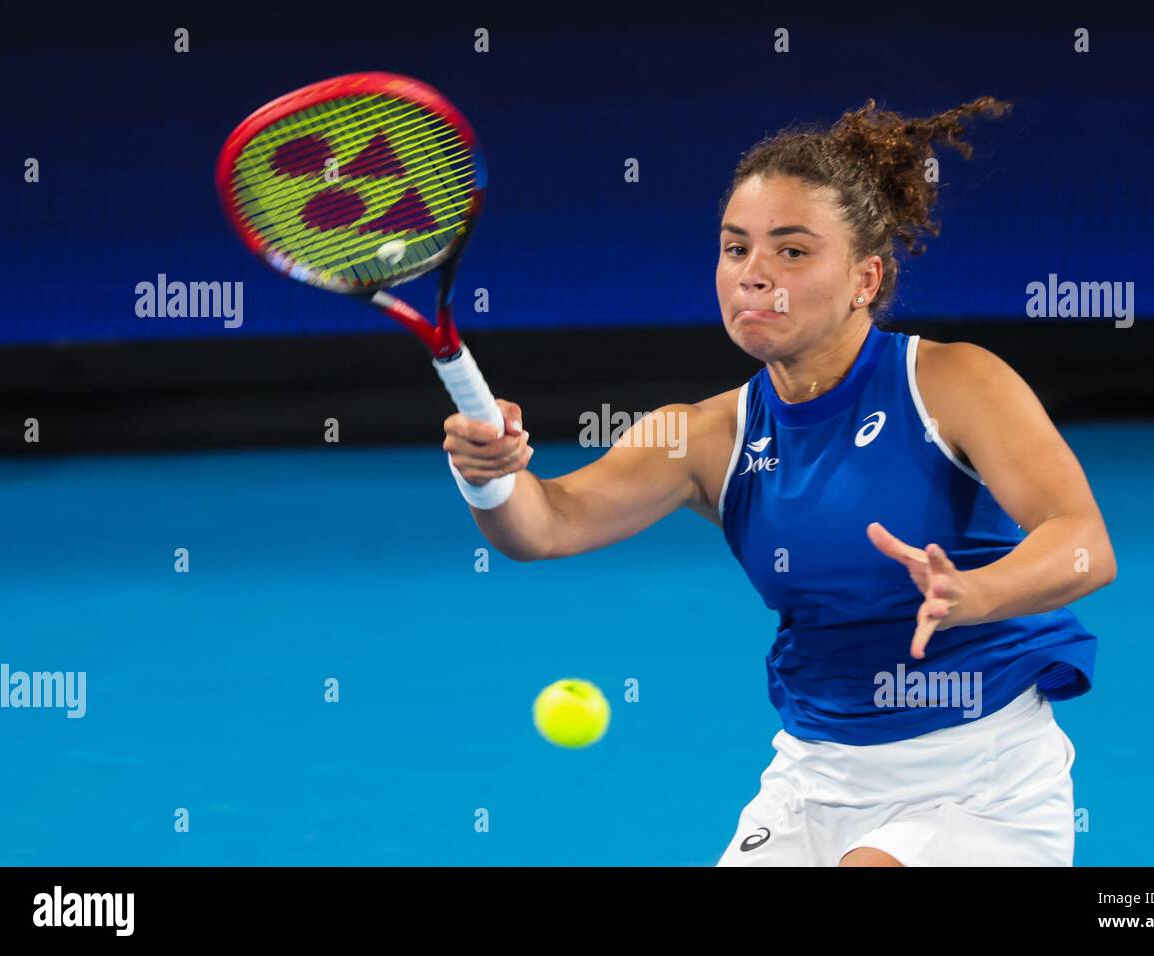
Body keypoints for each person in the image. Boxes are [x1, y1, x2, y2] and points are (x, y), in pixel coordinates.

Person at [442, 96, 1116, 866]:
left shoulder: (954, 382)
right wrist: (490, 475)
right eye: (735, 250)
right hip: (813, 775)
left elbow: (1085, 546)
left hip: (979, 780)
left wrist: (977, 594)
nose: (753, 276)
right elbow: (545, 524)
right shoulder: (702, 435)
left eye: (791, 252)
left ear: (866, 278)